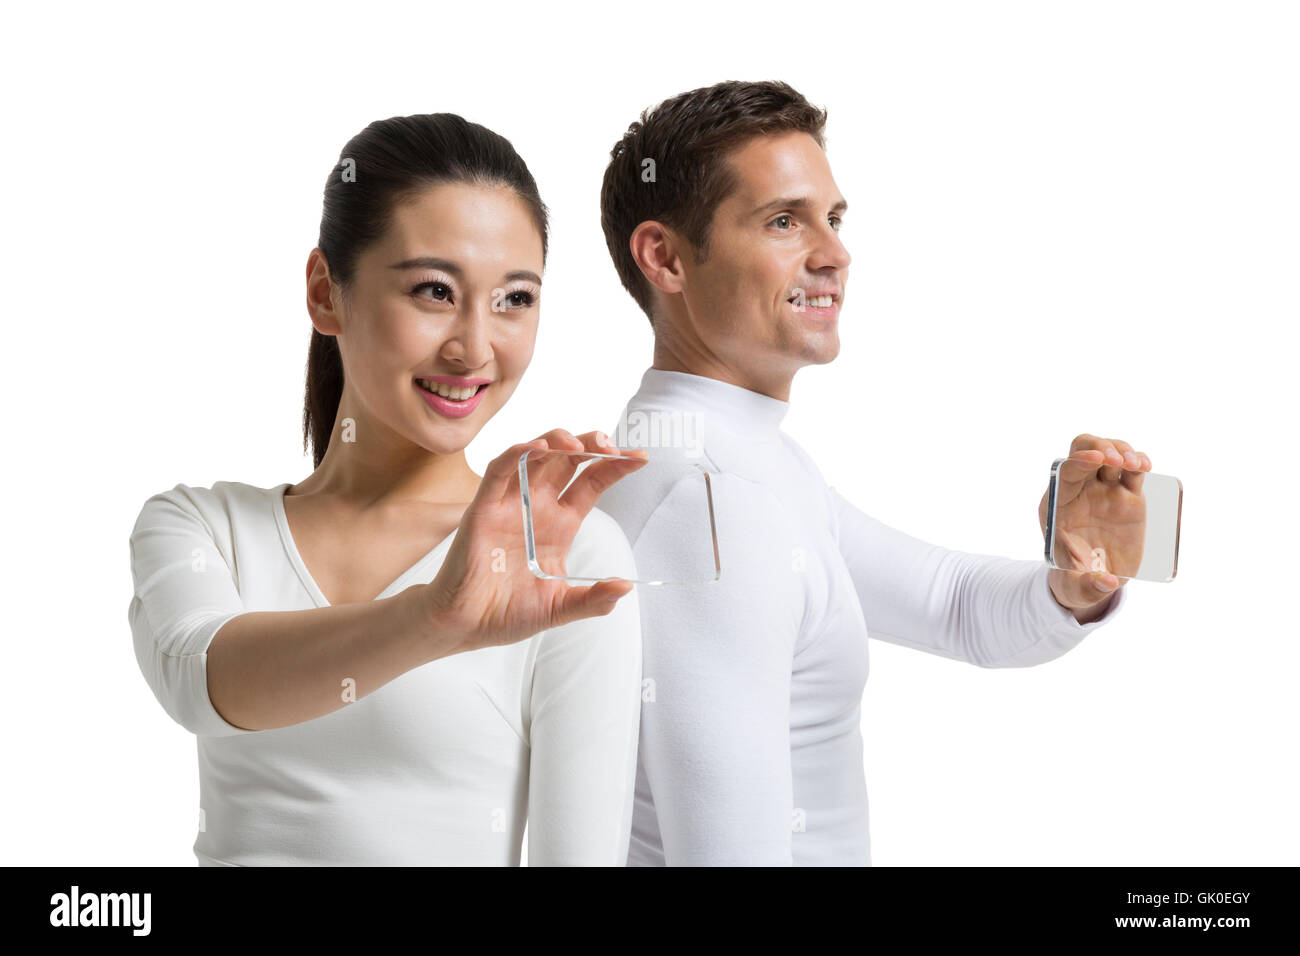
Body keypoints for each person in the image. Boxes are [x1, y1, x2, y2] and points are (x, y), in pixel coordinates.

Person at [594, 80, 1145, 866]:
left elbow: (952, 606)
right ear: (665, 258)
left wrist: (1074, 584)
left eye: (834, 217)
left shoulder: (737, 465)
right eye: (784, 220)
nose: (834, 253)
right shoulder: (710, 501)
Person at [127, 113, 648, 866]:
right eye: (434, 291)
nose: (474, 347)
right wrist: (435, 619)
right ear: (325, 293)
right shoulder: (204, 526)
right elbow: (200, 678)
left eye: (514, 299)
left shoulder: (562, 547)